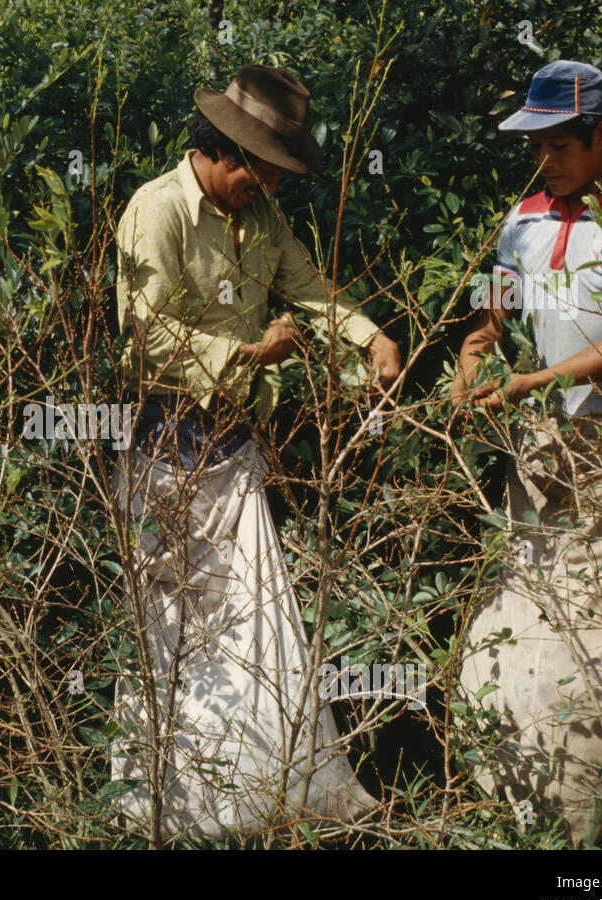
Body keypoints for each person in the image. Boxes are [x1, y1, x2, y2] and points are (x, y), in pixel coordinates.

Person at [111, 63, 401, 842]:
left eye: (275, 177)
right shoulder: (156, 210)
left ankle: (255, 800)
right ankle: (172, 810)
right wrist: (247, 357)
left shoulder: (260, 215)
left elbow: (306, 286)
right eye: (261, 173)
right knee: (173, 634)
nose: (268, 189)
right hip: (165, 455)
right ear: (222, 150)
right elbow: (144, 337)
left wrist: (371, 337)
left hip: (233, 449)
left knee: (254, 629)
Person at [454, 61, 602, 844]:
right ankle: (514, 801)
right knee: (523, 614)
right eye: (537, 146)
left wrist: (534, 380)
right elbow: (491, 320)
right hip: (536, 449)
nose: (545, 160)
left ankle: (585, 823)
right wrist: (470, 373)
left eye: (560, 145)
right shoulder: (521, 220)